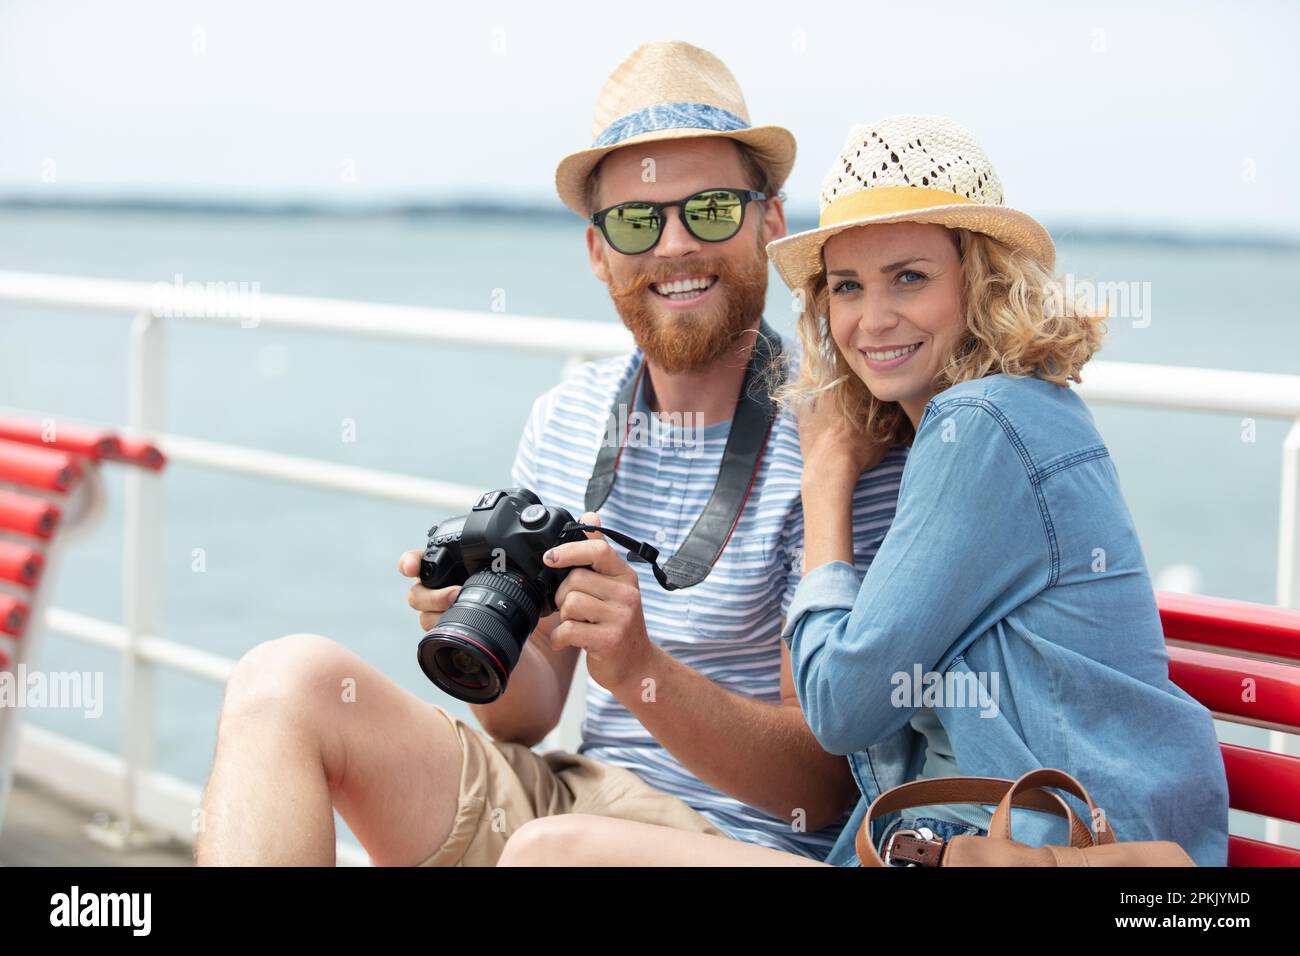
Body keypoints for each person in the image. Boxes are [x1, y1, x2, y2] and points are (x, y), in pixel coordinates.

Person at [194, 42, 907, 867]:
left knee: (548, 850)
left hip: (746, 840)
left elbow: (821, 787)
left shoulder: (840, 438)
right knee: (281, 682)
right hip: (577, 796)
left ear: (771, 223)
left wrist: (638, 666)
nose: (674, 246)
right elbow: (524, 721)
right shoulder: (570, 414)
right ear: (598, 252)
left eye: (710, 209)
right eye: (638, 221)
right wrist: (476, 628)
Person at [494, 114, 1230, 867]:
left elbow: (841, 709)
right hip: (955, 845)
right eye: (848, 286)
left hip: (1048, 848)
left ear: (980, 279)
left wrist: (824, 478)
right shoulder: (1000, 417)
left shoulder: (980, 424)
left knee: (552, 853)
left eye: (909, 277)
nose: (874, 320)